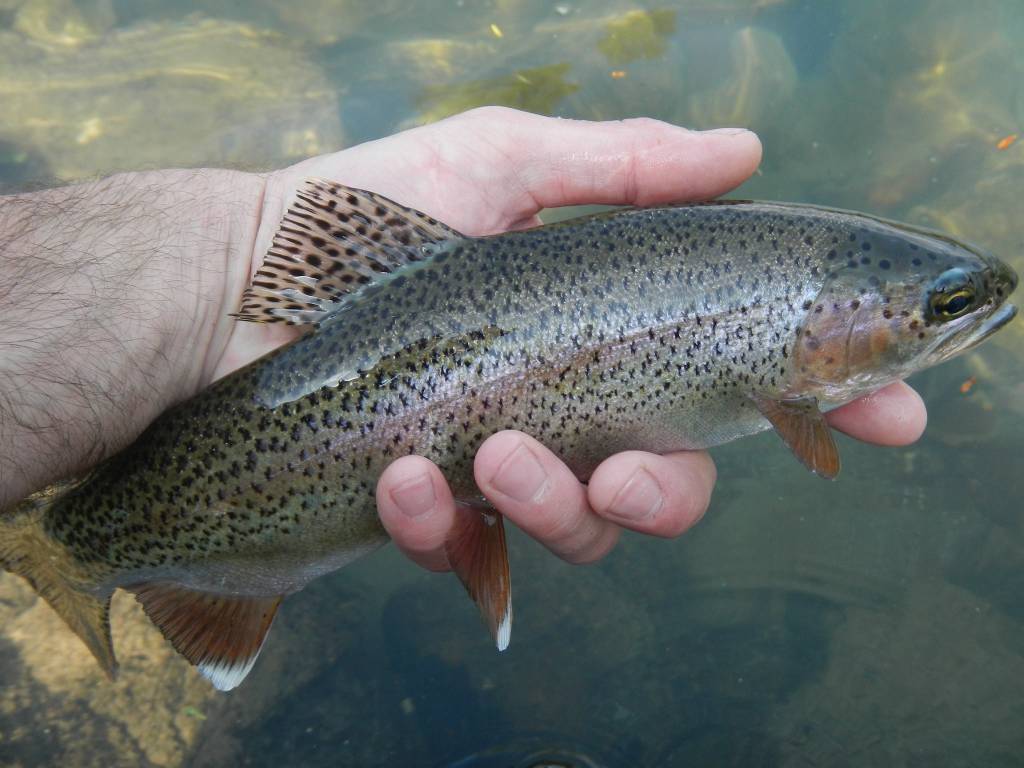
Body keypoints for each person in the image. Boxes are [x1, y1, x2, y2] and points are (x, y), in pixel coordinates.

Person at [0, 106, 925, 574]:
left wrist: (219, 251)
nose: (953, 317)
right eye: (945, 305)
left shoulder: (792, 335)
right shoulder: (799, 371)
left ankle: (67, 552)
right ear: (830, 333)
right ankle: (65, 552)